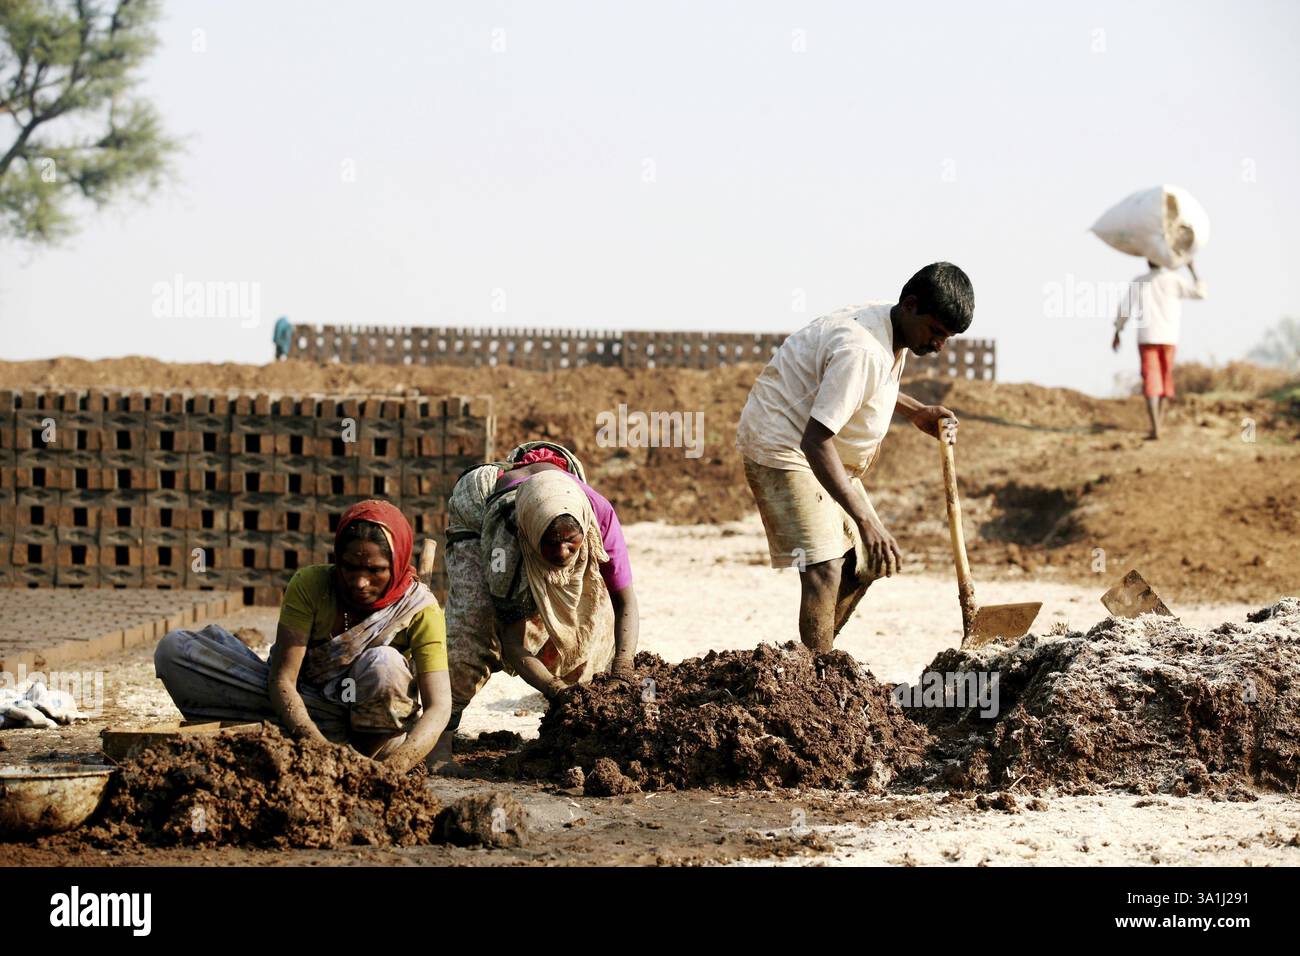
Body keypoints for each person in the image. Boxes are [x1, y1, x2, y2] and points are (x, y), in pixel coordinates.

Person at [735, 261, 973, 653]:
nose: (938, 346)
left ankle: (815, 661)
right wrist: (865, 520)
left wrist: (916, 412)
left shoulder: (892, 324)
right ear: (911, 305)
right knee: (825, 568)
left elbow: (860, 387)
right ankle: (817, 680)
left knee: (870, 560)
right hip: (785, 446)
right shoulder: (862, 348)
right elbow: (815, 440)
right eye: (936, 333)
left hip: (824, 450)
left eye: (947, 338)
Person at [154, 500, 451, 773]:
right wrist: (319, 750)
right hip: (301, 712)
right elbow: (282, 680)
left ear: (397, 565)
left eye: (376, 570)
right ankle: (310, 743)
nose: (360, 582)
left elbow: (439, 706)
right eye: (350, 567)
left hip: (375, 730)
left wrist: (397, 767)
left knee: (384, 664)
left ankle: (358, 758)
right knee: (175, 650)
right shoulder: (311, 584)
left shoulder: (420, 609)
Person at [432, 442, 639, 766]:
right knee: (475, 624)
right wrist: (556, 690)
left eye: (571, 544)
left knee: (588, 623)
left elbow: (624, 601)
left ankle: (573, 729)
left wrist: (622, 669)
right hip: (483, 503)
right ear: (531, 536)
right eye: (551, 544)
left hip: (557, 488)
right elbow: (512, 642)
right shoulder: (507, 536)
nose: (561, 554)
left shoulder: (600, 518)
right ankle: (439, 741)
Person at [1111, 259, 1208, 440]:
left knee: (1151, 381)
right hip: (1170, 337)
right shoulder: (1175, 280)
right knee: (1164, 379)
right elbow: (1200, 293)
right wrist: (1193, 269)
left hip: (1147, 337)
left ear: (1148, 261)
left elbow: (1125, 310)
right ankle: (1159, 425)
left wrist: (1117, 331)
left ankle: (1156, 427)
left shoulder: (1140, 281)